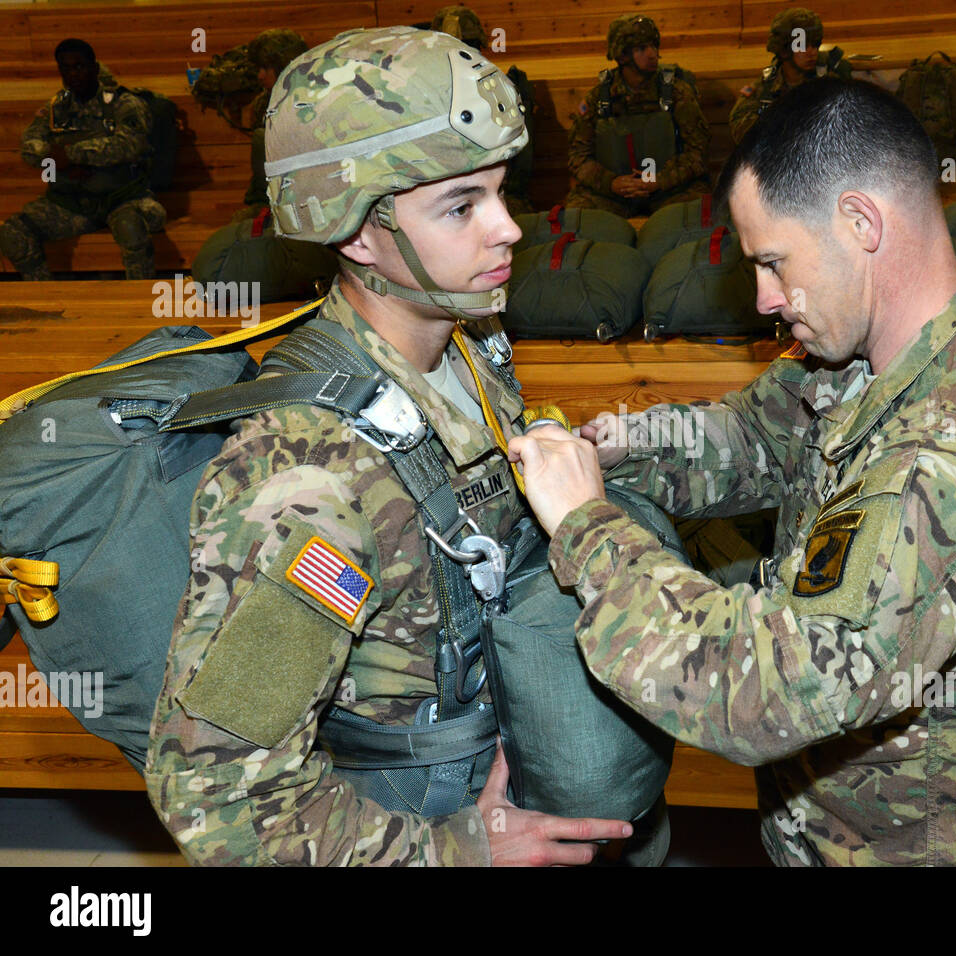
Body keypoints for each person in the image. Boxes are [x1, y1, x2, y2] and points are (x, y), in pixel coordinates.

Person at [507, 77, 956, 866]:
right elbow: (755, 434)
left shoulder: (942, 457)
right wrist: (620, 447)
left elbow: (768, 693)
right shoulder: (880, 355)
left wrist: (588, 528)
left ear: (860, 222)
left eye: (773, 262)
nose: (765, 297)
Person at [144, 27, 635, 866]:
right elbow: (219, 794)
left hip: (498, 754)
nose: (508, 229)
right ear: (358, 236)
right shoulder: (307, 477)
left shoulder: (468, 345)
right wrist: (460, 852)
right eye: (460, 206)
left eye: (501, 193)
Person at [0, 38, 165, 279]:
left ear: (95, 68)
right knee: (12, 234)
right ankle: (47, 297)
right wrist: (59, 165)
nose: (73, 74)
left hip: (122, 199)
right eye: (65, 68)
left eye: (79, 66)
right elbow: (29, 147)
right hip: (72, 203)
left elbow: (129, 145)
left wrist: (71, 155)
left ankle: (141, 302)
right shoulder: (57, 108)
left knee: (131, 227)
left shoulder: (124, 103)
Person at [566, 13, 711, 216]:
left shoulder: (676, 92)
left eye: (654, 46)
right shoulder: (599, 97)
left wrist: (660, 180)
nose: (652, 54)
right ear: (623, 55)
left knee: (696, 214)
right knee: (577, 217)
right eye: (642, 49)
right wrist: (612, 183)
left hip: (669, 190)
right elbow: (578, 156)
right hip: (613, 193)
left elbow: (697, 153)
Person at [427, 5, 538, 217]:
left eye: (470, 47)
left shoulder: (502, 89)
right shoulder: (427, 94)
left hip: (500, 194)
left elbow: (520, 167)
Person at [729, 7, 854, 144]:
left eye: (815, 45)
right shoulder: (764, 90)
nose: (811, 52)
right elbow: (741, 130)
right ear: (784, 50)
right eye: (803, 45)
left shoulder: (831, 81)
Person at [232, 29, 309, 221]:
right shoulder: (263, 103)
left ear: (283, 66)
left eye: (265, 68)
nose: (260, 76)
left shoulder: (314, 97)